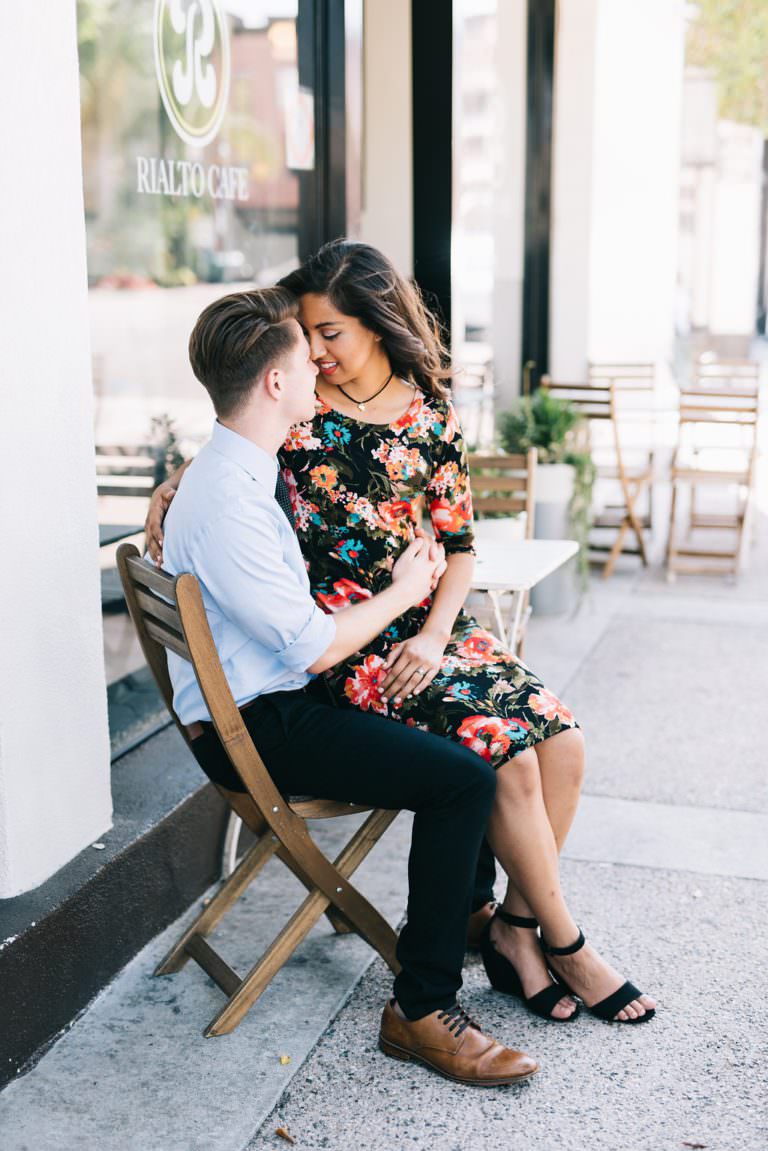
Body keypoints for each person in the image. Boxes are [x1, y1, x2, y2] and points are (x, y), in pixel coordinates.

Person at [148, 242, 656, 1026]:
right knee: (509, 761)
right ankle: (566, 941)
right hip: (348, 644)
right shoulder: (302, 415)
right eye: (307, 337)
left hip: (427, 625)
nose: (317, 353)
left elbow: (459, 550)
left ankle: (515, 929)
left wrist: (434, 634)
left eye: (332, 334)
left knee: (565, 744)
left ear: (378, 327)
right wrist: (173, 478)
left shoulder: (429, 416)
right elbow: (235, 438)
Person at [160, 285, 539, 1087]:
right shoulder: (230, 499)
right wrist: (405, 594)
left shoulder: (234, 469)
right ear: (272, 382)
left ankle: (467, 913)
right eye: (306, 357)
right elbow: (311, 645)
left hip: (256, 704)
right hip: (263, 727)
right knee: (462, 781)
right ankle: (422, 1008)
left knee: (453, 725)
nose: (318, 369)